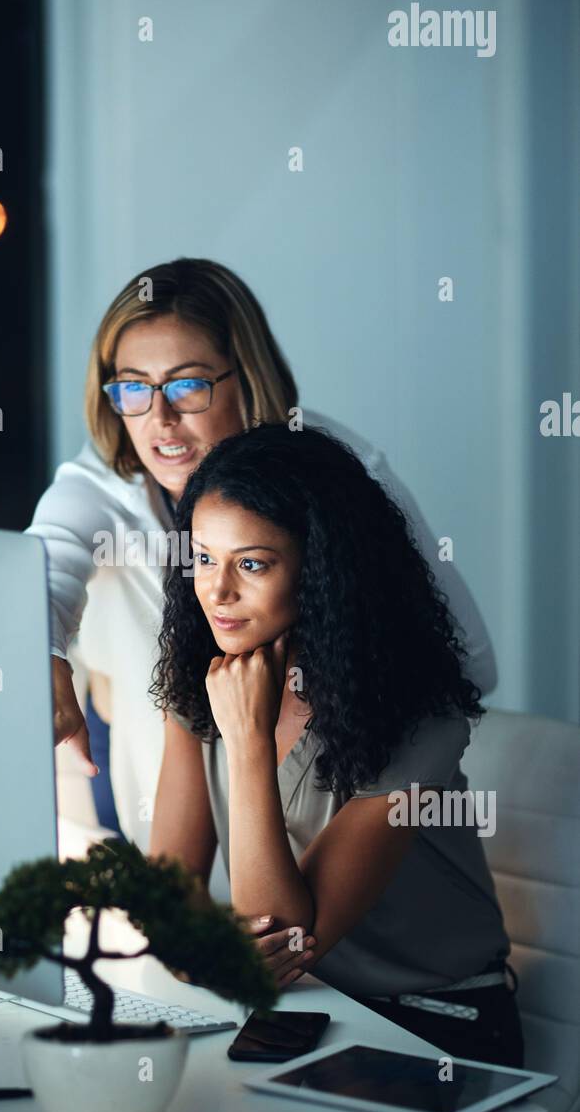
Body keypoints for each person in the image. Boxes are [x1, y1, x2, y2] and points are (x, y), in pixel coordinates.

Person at [147, 422, 522, 1112]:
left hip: (434, 1030)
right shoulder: (202, 680)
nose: (216, 592)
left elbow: (290, 935)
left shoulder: (421, 719)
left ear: (319, 573)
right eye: (205, 560)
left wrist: (247, 743)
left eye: (252, 565)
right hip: (296, 1013)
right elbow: (165, 899)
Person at [26, 257, 497, 867]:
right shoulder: (103, 484)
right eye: (133, 387)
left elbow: (468, 665)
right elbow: (45, 567)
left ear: (246, 376)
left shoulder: (336, 474)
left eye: (188, 384)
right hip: (155, 792)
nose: (159, 419)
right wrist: (47, 655)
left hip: (317, 816)